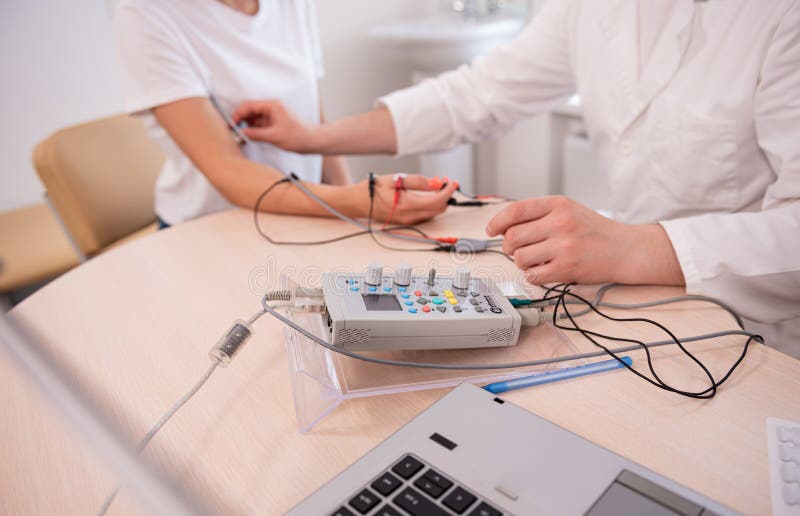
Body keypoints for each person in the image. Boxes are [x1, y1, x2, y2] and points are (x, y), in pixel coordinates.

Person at [230, 0, 800, 357]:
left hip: (765, 335)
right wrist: (311, 136)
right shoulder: (590, 9)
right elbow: (477, 93)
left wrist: (638, 246)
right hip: (644, 314)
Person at [113, 0, 456, 229]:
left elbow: (316, 117)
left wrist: (356, 208)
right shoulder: (146, 13)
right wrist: (357, 201)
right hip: (209, 227)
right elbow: (227, 170)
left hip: (304, 217)